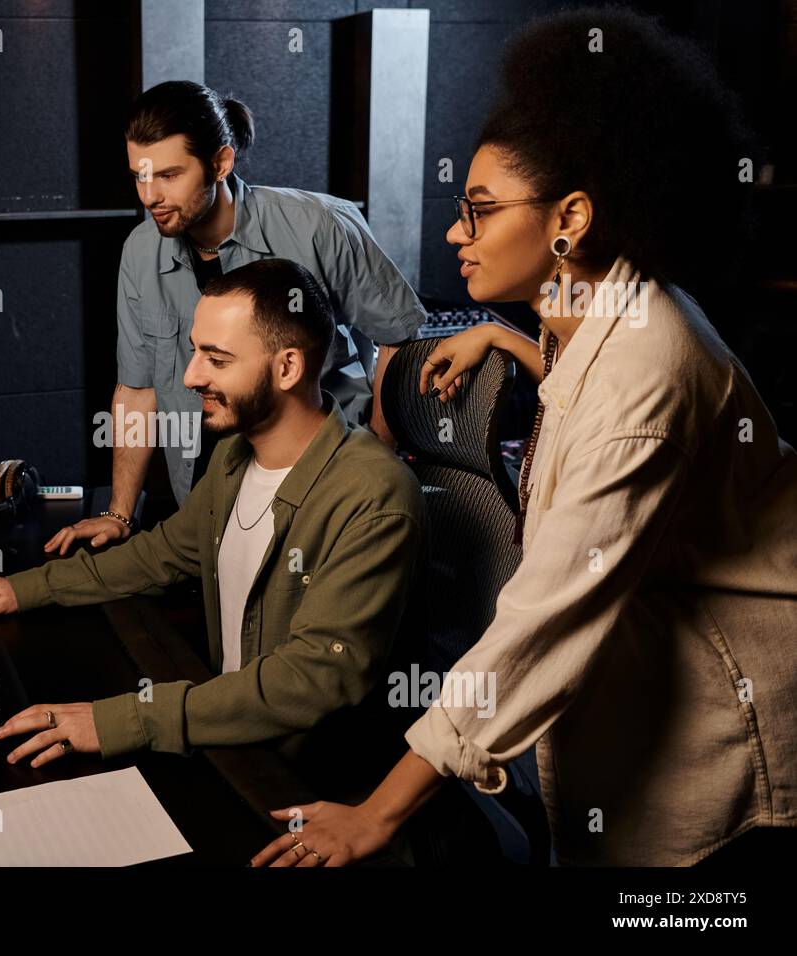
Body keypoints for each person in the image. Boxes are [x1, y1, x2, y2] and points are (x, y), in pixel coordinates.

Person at [253, 7, 797, 867]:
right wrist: (509, 342)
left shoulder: (645, 367)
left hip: (731, 720)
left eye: (478, 211)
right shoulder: (596, 313)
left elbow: (541, 617)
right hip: (642, 688)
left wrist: (378, 813)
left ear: (569, 220)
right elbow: (596, 408)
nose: (454, 235)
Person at [0, 259, 424, 766]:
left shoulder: (373, 495)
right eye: (194, 351)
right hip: (224, 736)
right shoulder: (234, 457)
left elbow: (313, 679)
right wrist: (23, 588)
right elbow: (158, 555)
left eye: (217, 359)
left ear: (288, 368)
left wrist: (119, 720)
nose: (190, 377)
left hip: (292, 778)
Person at [44, 80, 426, 557]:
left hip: (324, 487)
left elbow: (400, 337)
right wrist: (121, 513)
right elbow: (138, 389)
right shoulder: (140, 253)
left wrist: (376, 457)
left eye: (168, 175)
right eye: (139, 176)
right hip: (207, 500)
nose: (149, 196)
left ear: (221, 163)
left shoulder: (321, 225)